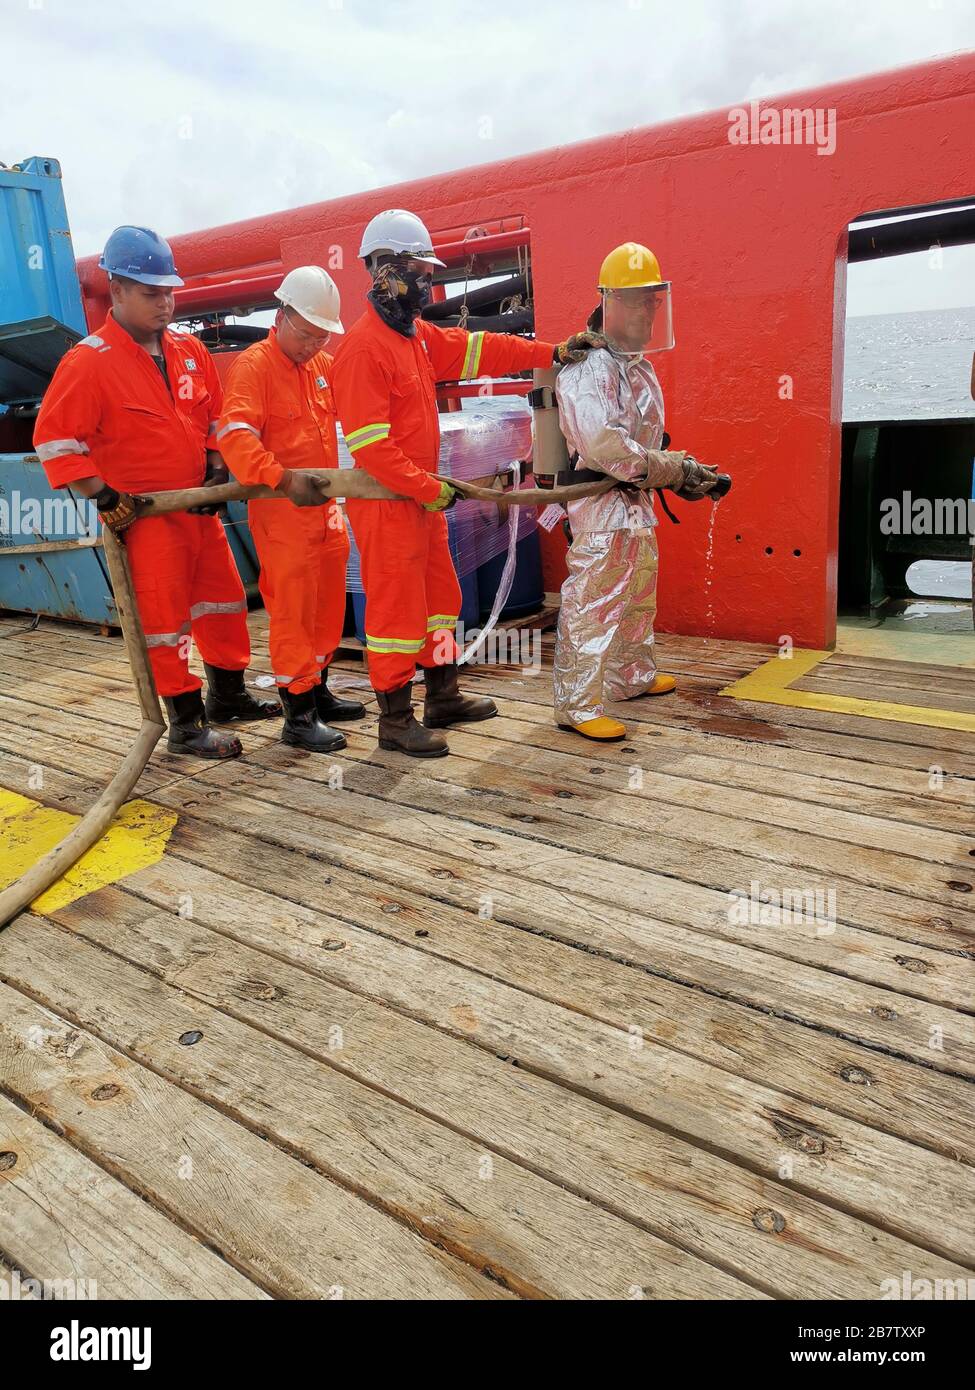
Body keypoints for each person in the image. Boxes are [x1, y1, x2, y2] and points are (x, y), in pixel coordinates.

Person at [331, 207, 604, 757]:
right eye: (420, 273)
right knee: (391, 613)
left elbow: (484, 349)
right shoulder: (363, 349)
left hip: (420, 499)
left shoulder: (416, 339)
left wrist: (550, 352)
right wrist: (427, 487)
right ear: (383, 269)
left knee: (440, 598)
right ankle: (394, 719)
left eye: (431, 274)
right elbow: (369, 446)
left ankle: (443, 695)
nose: (429, 284)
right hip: (389, 505)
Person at [33, 225, 278, 758]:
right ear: (116, 290)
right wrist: (102, 496)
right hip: (142, 516)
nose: (165, 303)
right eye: (151, 292)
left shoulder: (188, 350)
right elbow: (55, 440)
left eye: (169, 291)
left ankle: (228, 696)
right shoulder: (90, 362)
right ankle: (185, 726)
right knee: (165, 624)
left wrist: (215, 467)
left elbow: (213, 416)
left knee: (224, 600)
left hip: (195, 507)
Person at [553, 242, 722, 741]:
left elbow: (642, 439)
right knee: (593, 602)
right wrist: (673, 470)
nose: (651, 309)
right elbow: (606, 446)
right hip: (602, 504)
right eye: (641, 300)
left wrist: (671, 471)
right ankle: (576, 705)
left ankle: (631, 677)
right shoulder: (590, 368)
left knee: (637, 597)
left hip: (636, 503)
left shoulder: (635, 364)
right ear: (614, 303)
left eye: (655, 299)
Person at [218, 267, 365, 752]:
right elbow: (236, 440)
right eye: (307, 335)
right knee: (293, 610)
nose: (313, 345)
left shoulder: (319, 366)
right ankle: (297, 714)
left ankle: (318, 689)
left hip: (324, 511)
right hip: (283, 514)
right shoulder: (254, 367)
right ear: (281, 317)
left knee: (326, 606)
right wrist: (281, 478)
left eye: (322, 337)